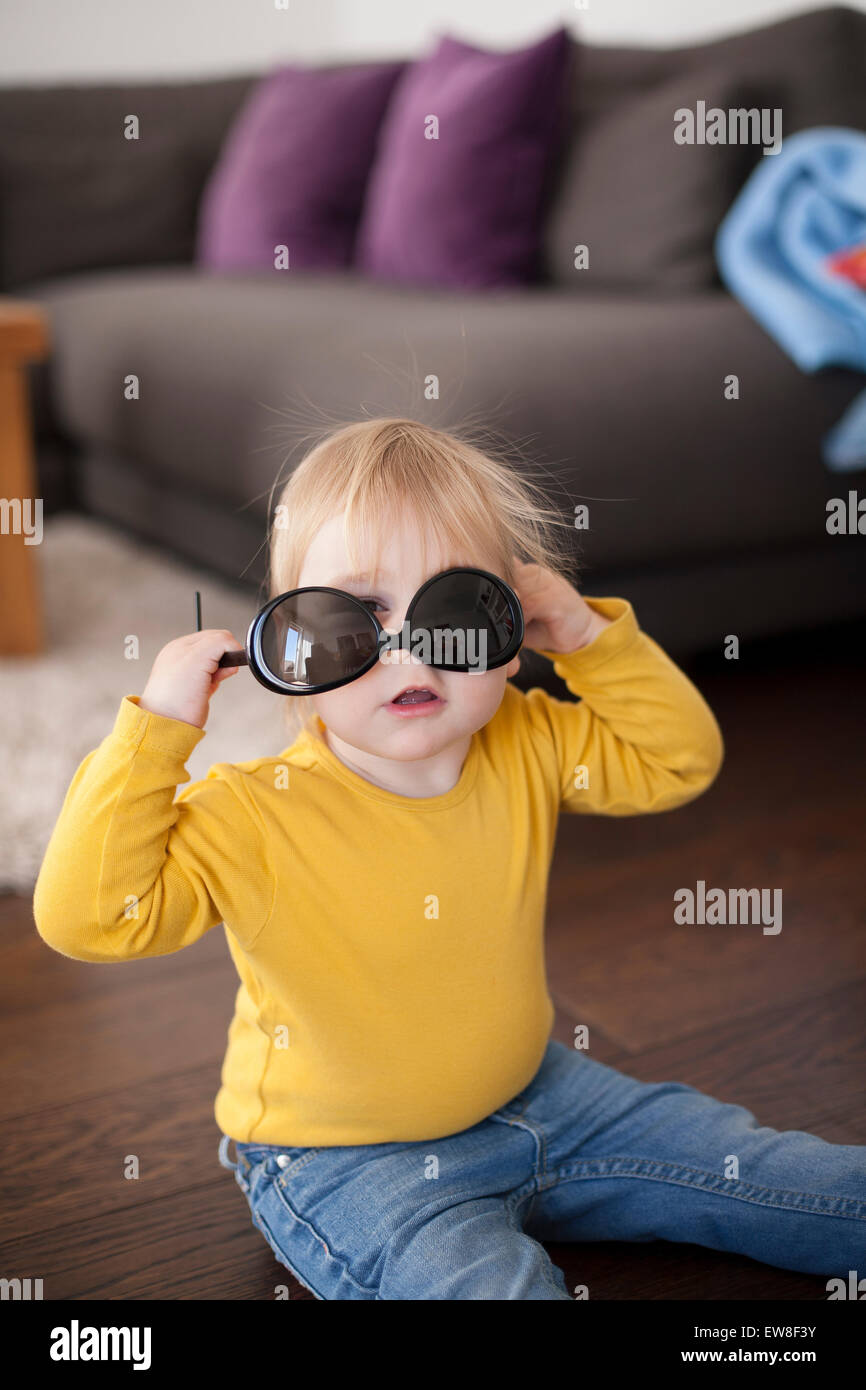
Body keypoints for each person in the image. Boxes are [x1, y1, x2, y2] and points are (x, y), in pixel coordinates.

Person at [33, 418, 866, 1299]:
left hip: (544, 1090)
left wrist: (587, 636)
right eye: (353, 618)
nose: (407, 649)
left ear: (512, 632)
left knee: (799, 1183)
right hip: (348, 1158)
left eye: (455, 609)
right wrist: (156, 734)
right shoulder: (252, 809)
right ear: (290, 653)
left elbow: (676, 759)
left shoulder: (531, 740)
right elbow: (89, 920)